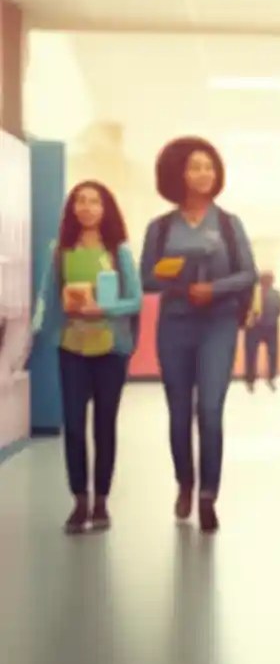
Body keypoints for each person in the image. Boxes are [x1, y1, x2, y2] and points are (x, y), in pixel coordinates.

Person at [140, 136, 257, 533]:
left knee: (209, 408)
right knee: (178, 413)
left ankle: (208, 494)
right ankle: (184, 483)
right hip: (175, 324)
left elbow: (248, 273)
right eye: (195, 167)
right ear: (178, 174)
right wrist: (172, 274)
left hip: (218, 324)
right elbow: (145, 279)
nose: (204, 173)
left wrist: (215, 288)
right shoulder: (160, 228)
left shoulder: (228, 224)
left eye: (209, 166)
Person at [31, 181, 143, 533]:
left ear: (105, 209)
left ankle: (101, 502)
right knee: (74, 425)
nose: (87, 207)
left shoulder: (118, 251)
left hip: (111, 349)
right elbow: (47, 296)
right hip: (72, 348)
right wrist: (34, 333)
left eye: (95, 201)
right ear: (72, 208)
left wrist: (103, 309)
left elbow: (135, 300)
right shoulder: (59, 251)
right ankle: (80, 500)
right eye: (80, 201)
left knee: (105, 425)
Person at [244, 271, 280, 392]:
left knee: (254, 354)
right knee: (266, 354)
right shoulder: (274, 294)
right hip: (264, 327)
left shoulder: (253, 293)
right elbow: (279, 310)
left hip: (261, 327)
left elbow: (279, 310)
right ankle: (263, 379)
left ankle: (253, 381)